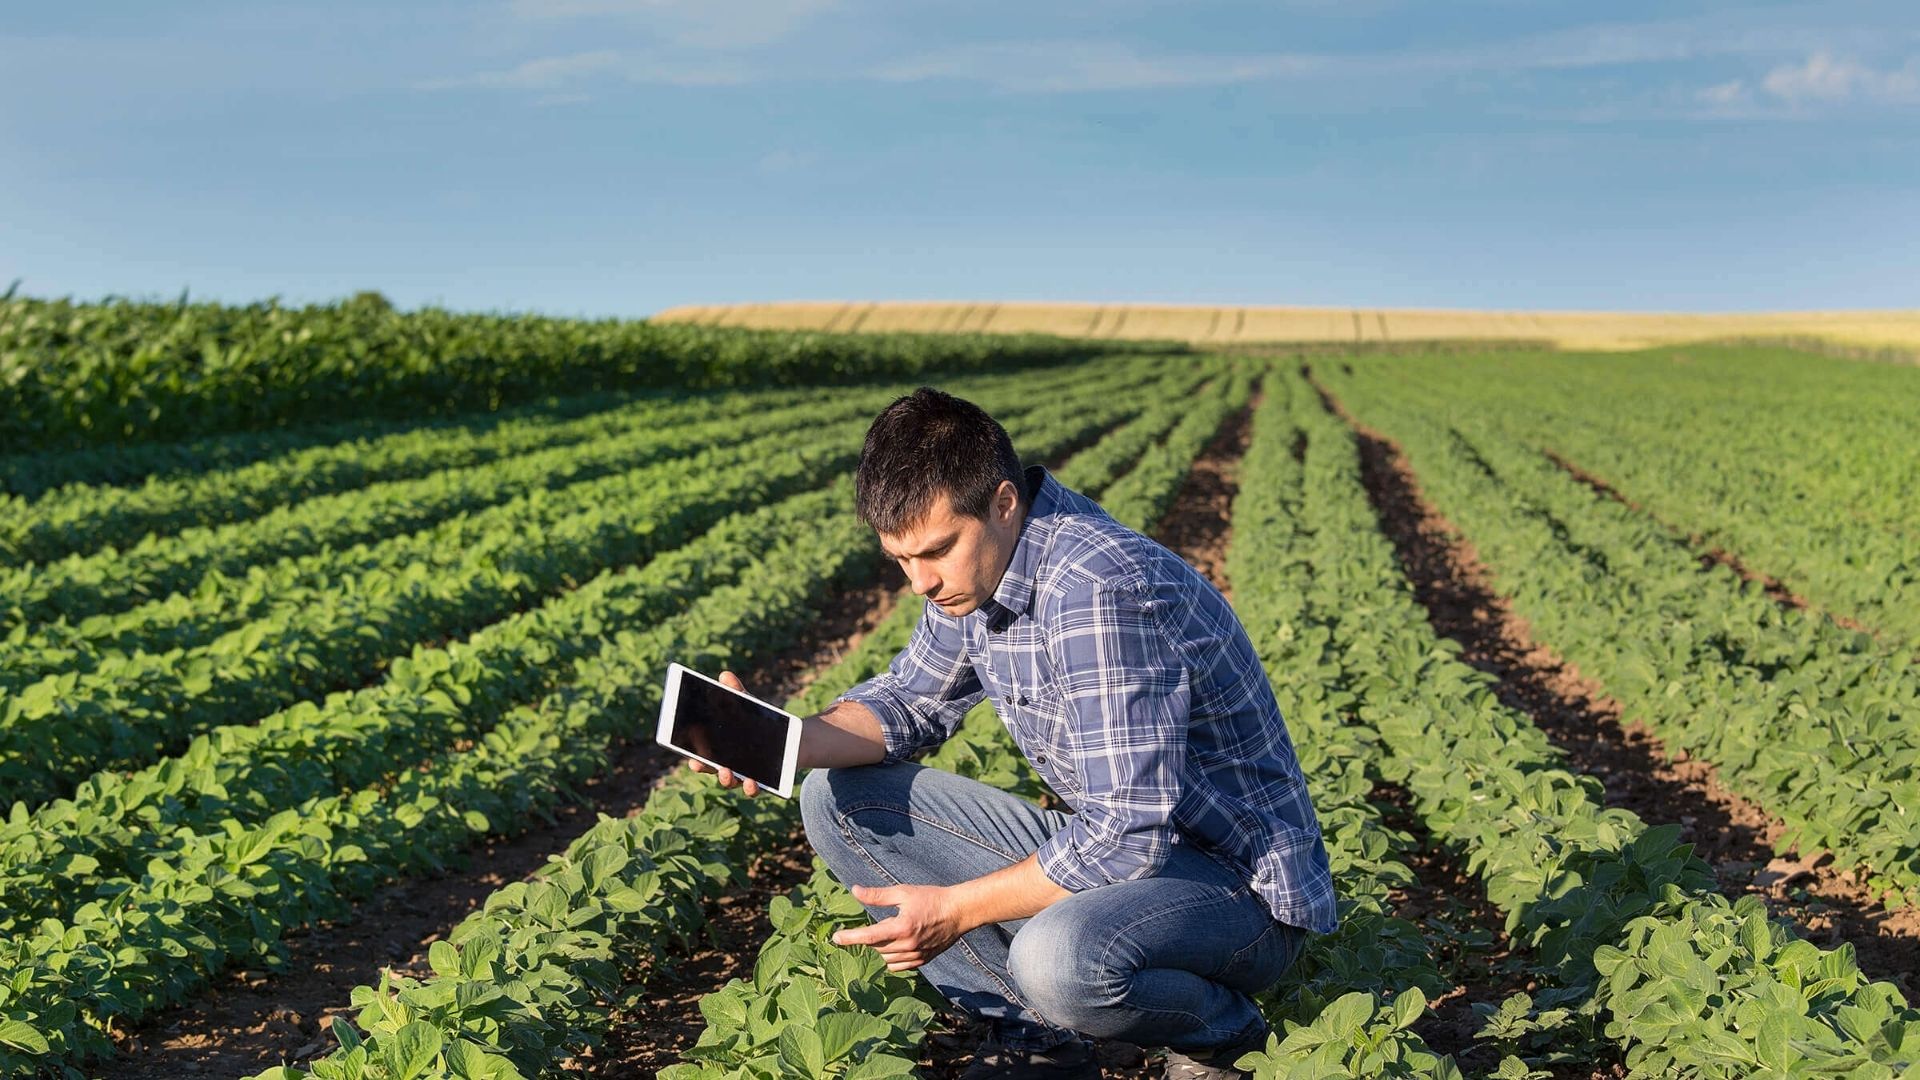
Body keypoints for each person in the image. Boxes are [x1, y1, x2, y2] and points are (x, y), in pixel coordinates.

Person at [688, 387, 1335, 1080]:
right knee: (837, 798)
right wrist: (776, 736)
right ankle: (1039, 1036)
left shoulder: (1095, 589)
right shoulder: (980, 568)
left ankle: (1223, 1036)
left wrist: (957, 910)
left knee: (1057, 959)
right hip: (1134, 858)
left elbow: (1126, 838)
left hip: (1239, 895)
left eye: (935, 550)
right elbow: (911, 700)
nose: (919, 583)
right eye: (900, 559)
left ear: (1002, 502)